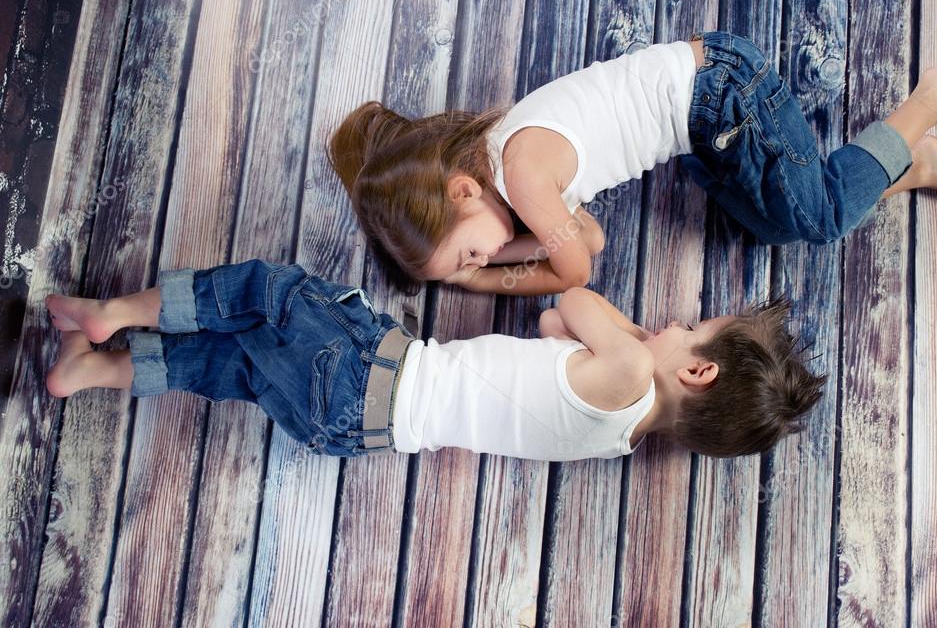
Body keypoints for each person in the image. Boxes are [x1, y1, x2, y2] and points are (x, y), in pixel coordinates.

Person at [329, 30, 937, 296]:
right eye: (470, 266)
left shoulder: (525, 174)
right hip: (700, 134)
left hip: (724, 98)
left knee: (817, 217)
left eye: (467, 252)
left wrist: (477, 284)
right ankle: (910, 165)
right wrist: (475, 258)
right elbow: (585, 236)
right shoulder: (504, 170)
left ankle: (925, 103)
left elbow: (576, 269)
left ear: (463, 189)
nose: (482, 261)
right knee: (767, 227)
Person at [44, 259, 825, 460]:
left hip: (369, 369)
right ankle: (100, 370)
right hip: (355, 431)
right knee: (235, 368)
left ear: (696, 371)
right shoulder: (613, 438)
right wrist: (579, 331)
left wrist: (629, 330)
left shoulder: (625, 369)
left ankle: (110, 315)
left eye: (686, 330)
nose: (671, 323)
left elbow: (574, 298)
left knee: (265, 293)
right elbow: (553, 326)